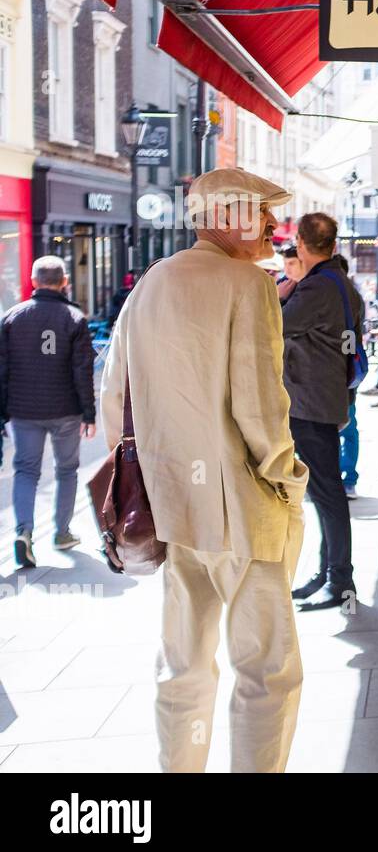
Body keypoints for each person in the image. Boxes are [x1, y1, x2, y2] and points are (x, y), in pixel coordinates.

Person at [100, 168, 308, 773]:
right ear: (229, 216)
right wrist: (288, 481)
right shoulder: (248, 283)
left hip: (170, 507)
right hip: (241, 507)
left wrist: (146, 483)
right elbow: (261, 408)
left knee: (183, 665)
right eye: (263, 213)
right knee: (268, 670)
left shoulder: (150, 284)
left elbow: (114, 395)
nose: (273, 225)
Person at [278, 212, 364, 610]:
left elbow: (274, 325)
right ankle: (328, 573)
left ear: (301, 242)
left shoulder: (316, 288)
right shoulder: (339, 282)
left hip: (312, 403)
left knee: (327, 494)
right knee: (324, 492)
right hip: (326, 399)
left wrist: (282, 292)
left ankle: (340, 582)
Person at [0, 256, 97, 566]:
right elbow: (83, 371)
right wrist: (89, 414)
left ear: (33, 281)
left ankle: (24, 532)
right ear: (64, 282)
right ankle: (62, 532)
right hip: (65, 410)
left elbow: (2, 369)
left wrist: (3, 412)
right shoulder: (74, 318)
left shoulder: (12, 317)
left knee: (26, 470)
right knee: (66, 470)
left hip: (23, 410)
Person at [337, 256, 361, 500]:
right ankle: (347, 479)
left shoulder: (348, 300)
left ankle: (348, 478)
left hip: (341, 379)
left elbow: (350, 342)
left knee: (347, 430)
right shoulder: (352, 298)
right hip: (345, 378)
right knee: (347, 430)